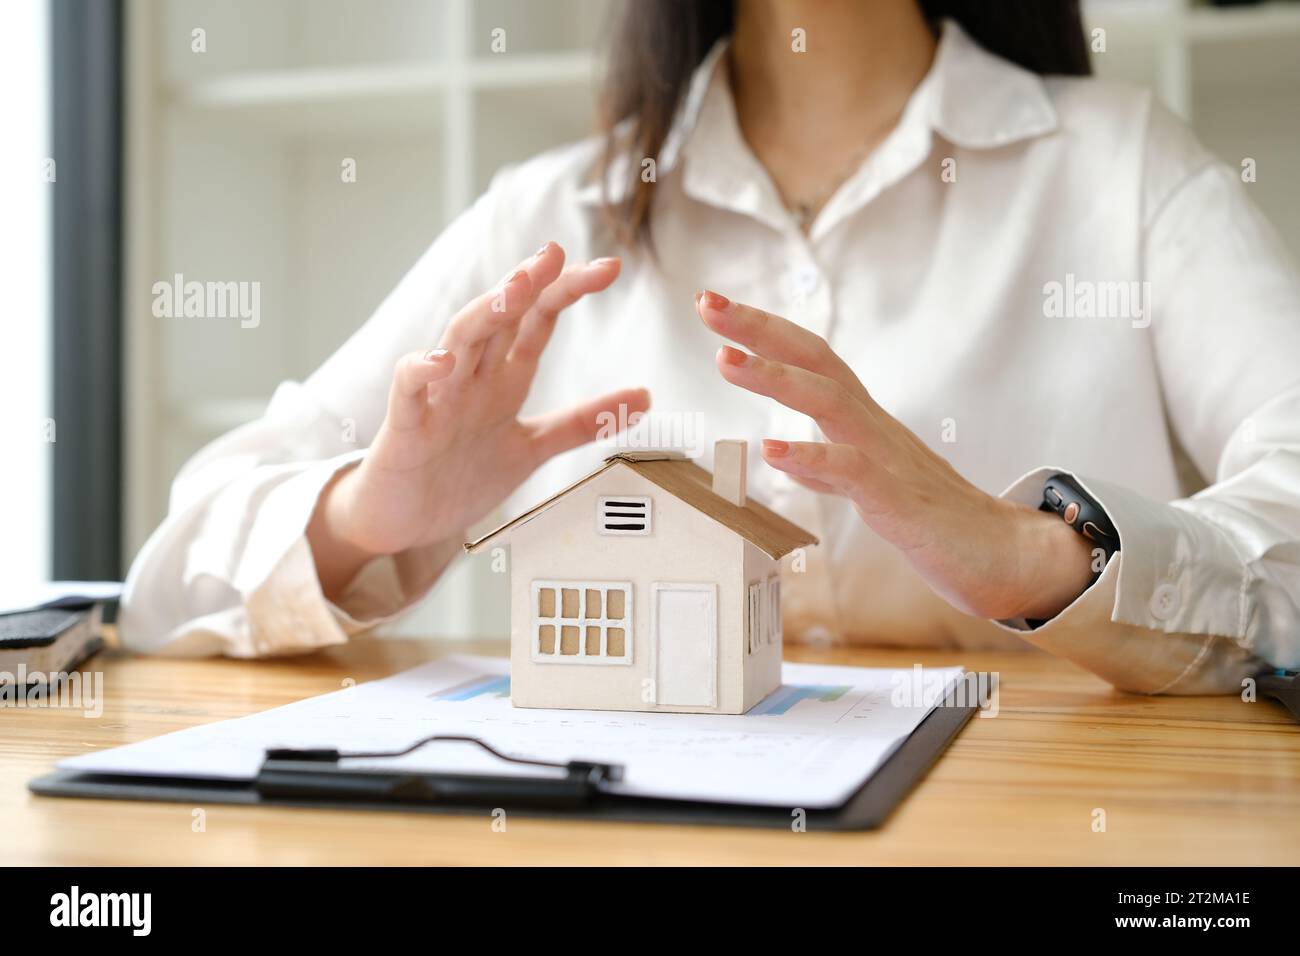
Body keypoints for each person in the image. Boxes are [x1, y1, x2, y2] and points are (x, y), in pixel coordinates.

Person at [121, 0, 1300, 695]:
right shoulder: (548, 220)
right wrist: (366, 512)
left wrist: (1041, 554)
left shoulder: (1122, 165)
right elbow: (169, 582)